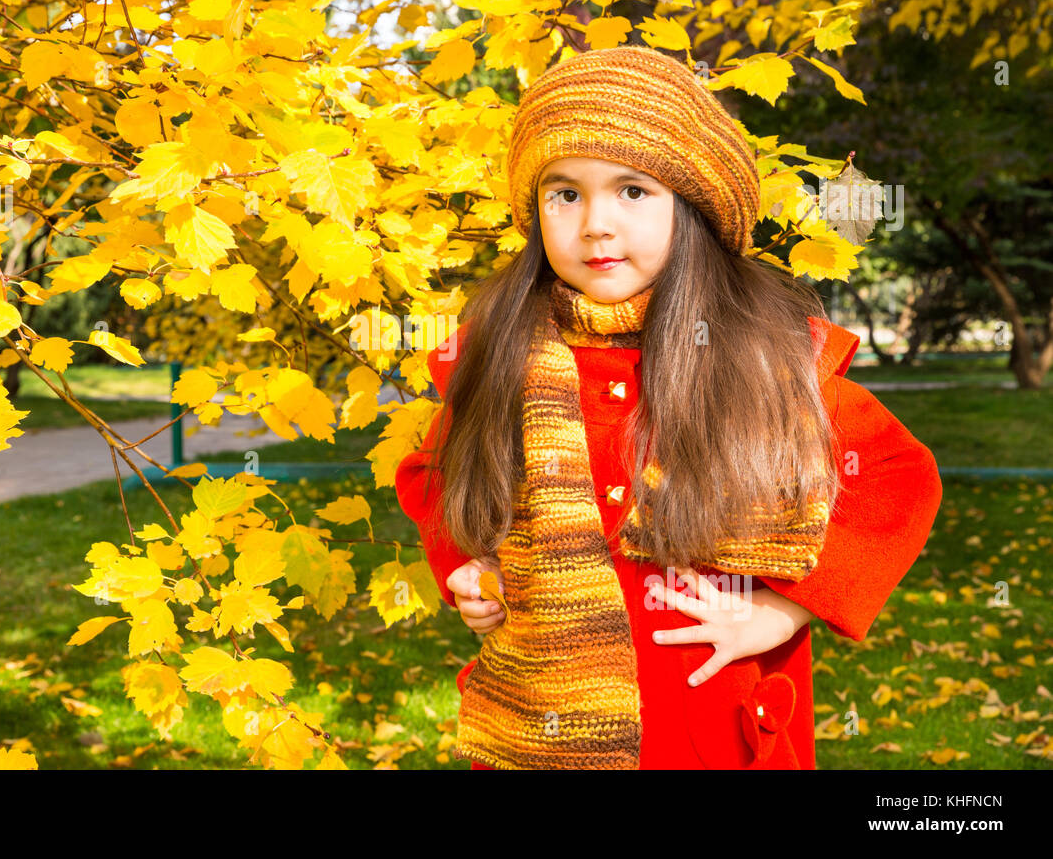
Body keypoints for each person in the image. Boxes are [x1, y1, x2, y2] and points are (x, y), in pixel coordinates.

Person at [393, 45, 943, 770]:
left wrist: (782, 609)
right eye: (564, 193)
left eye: (632, 191)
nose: (594, 223)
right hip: (545, 728)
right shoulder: (500, 357)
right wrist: (468, 567)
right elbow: (440, 471)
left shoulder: (762, 358)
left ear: (693, 206)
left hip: (714, 721)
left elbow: (898, 477)